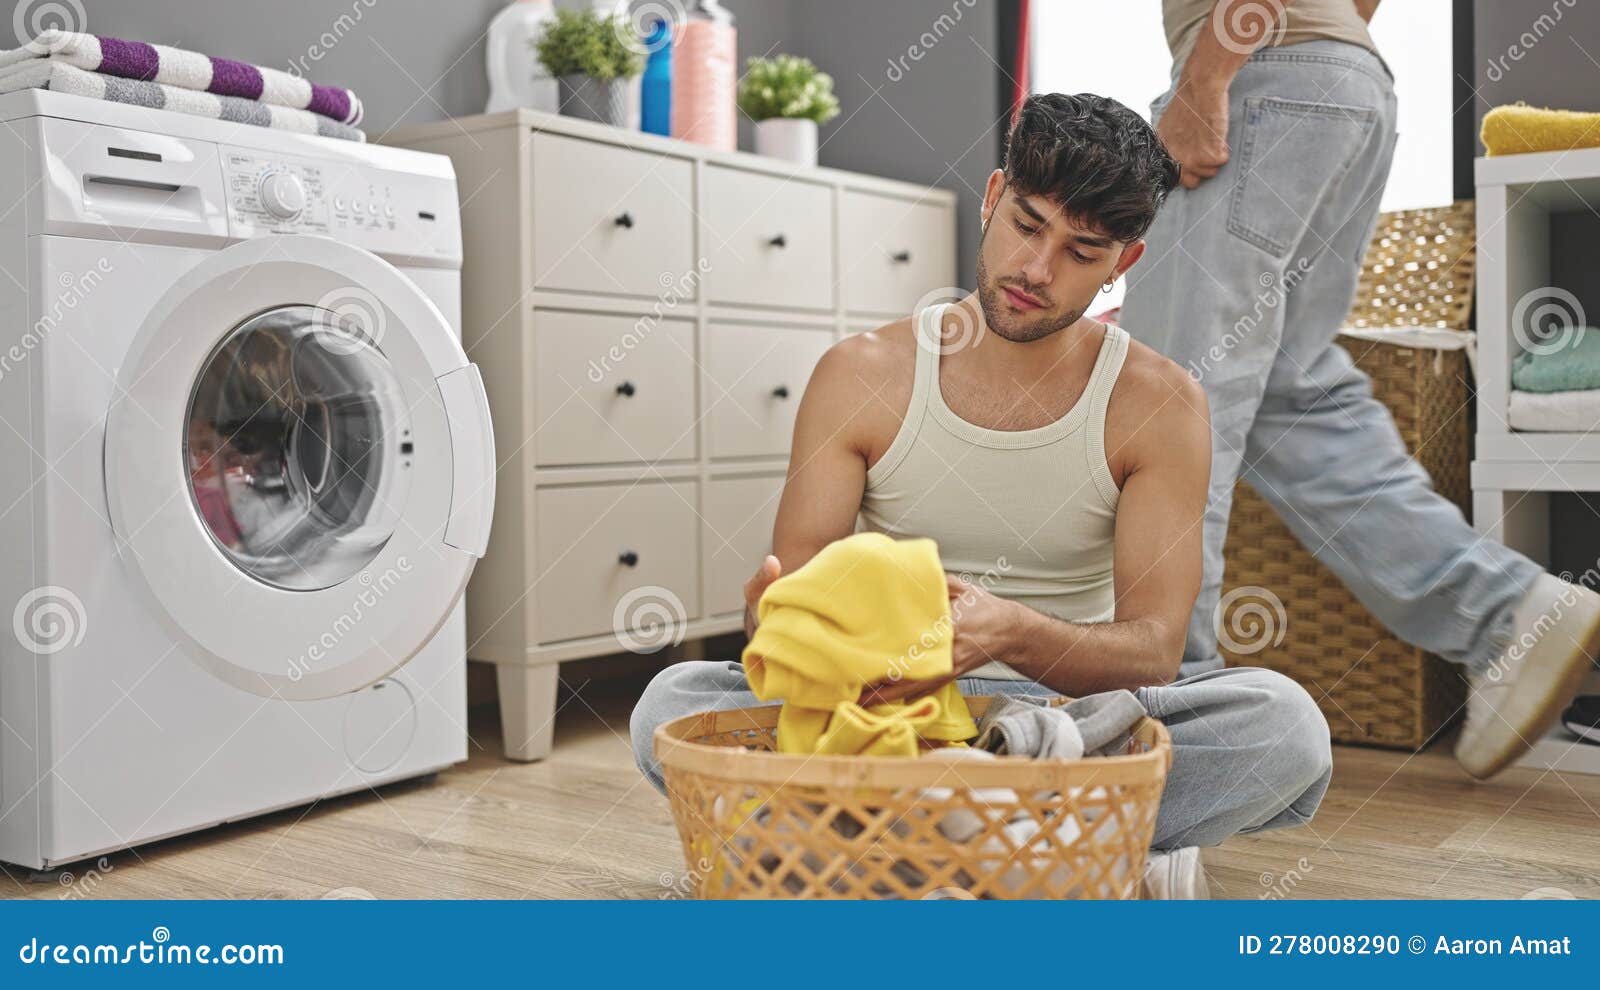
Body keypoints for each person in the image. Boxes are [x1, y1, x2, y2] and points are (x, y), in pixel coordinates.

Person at [631, 92, 1335, 862]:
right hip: (887, 712)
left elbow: (1154, 650)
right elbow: (791, 612)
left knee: (1283, 723)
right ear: (995, 198)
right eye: (1028, 225)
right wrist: (779, 624)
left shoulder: (1161, 404)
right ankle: (1042, 849)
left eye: (1082, 250)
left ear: (1123, 263)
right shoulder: (860, 375)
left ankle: (886, 850)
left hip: (1070, 723)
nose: (1038, 268)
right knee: (670, 703)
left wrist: (1013, 632)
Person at [1118, 0, 1600, 780]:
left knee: (1174, 407)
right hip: (1340, 84)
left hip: (1259, 78)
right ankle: (1503, 611)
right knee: (1287, 396)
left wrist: (1205, 79)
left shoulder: (1234, 73)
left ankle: (1173, 726)